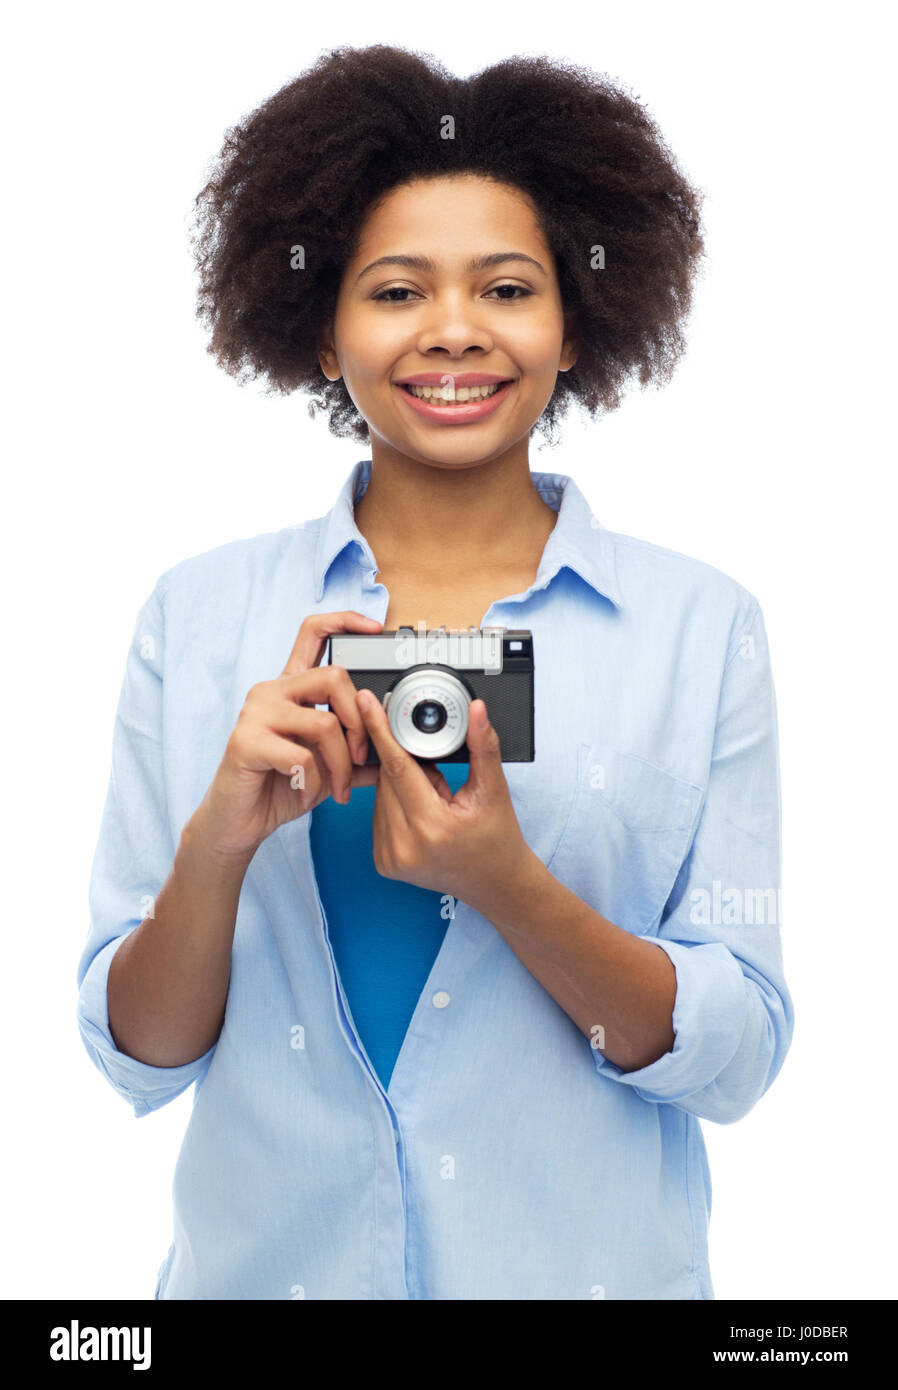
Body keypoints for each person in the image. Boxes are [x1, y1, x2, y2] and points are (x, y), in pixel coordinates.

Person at [76, 44, 793, 1300]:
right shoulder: (197, 617)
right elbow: (140, 1056)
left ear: (574, 327)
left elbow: (734, 1059)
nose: (454, 331)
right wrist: (218, 845)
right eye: (396, 291)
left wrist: (509, 884)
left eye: (507, 288)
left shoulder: (699, 626)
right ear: (321, 330)